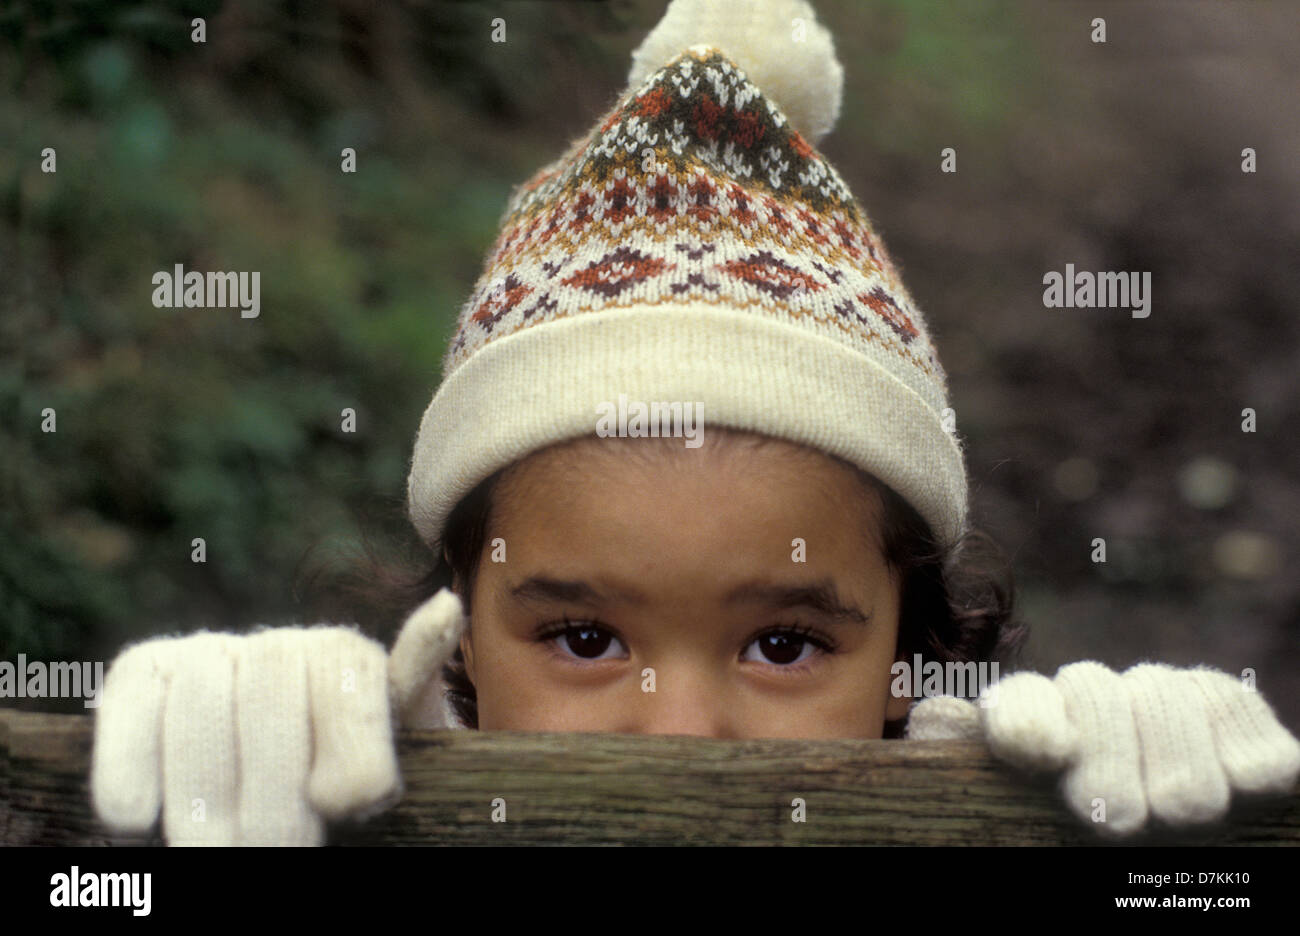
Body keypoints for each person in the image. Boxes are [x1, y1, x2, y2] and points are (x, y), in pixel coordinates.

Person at [90, 0, 1299, 846]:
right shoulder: (363, 792)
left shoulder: (977, 812)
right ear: (454, 640)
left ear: (903, 657)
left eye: (783, 645)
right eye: (579, 636)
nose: (681, 739)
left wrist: (1170, 873)